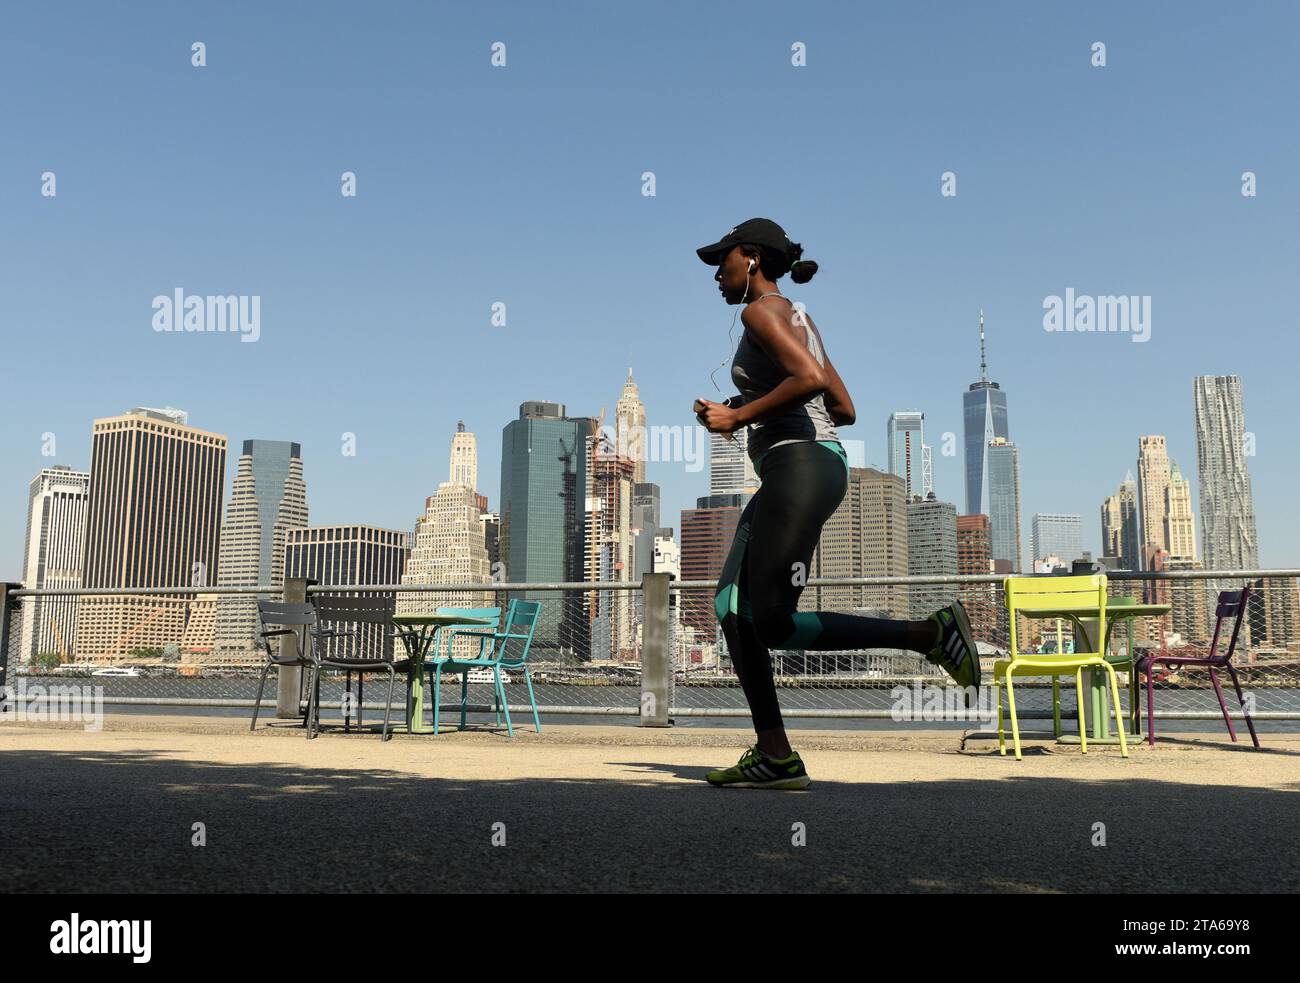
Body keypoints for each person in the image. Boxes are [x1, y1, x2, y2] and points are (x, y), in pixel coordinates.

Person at [692, 217, 980, 790]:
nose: (716, 276)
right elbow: (843, 407)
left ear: (750, 258)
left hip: (801, 466)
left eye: (722, 261)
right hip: (807, 465)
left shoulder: (759, 311)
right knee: (733, 609)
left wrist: (738, 415)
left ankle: (930, 634)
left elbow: (808, 377)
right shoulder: (800, 317)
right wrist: (754, 398)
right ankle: (775, 756)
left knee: (768, 622)